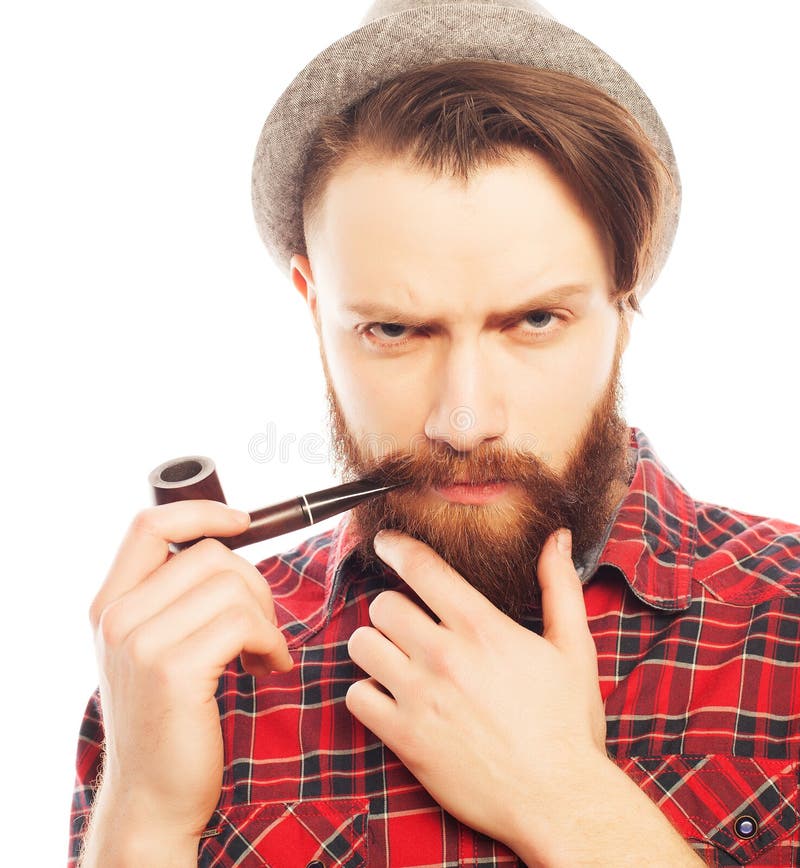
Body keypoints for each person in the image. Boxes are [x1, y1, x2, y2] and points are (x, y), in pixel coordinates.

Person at [68, 1, 800, 865]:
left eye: (533, 319)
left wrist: (567, 798)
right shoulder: (187, 678)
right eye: (394, 331)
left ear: (623, 299)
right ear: (313, 307)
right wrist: (147, 815)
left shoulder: (786, 624)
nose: (463, 420)